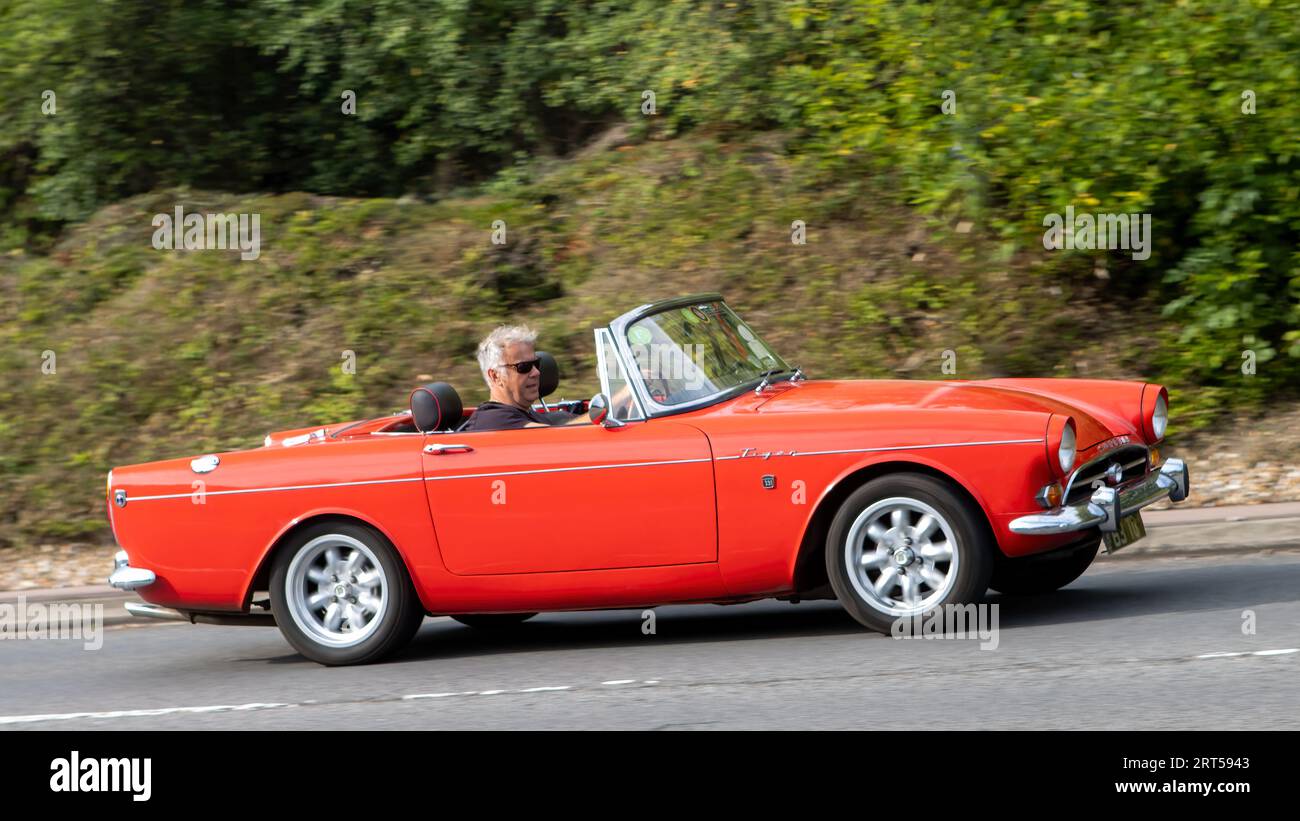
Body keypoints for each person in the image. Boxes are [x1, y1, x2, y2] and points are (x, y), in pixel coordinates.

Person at [459, 325, 589, 431]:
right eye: (523, 367)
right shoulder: (493, 421)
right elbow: (558, 438)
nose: (536, 372)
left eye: (536, 364)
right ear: (496, 376)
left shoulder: (530, 415)